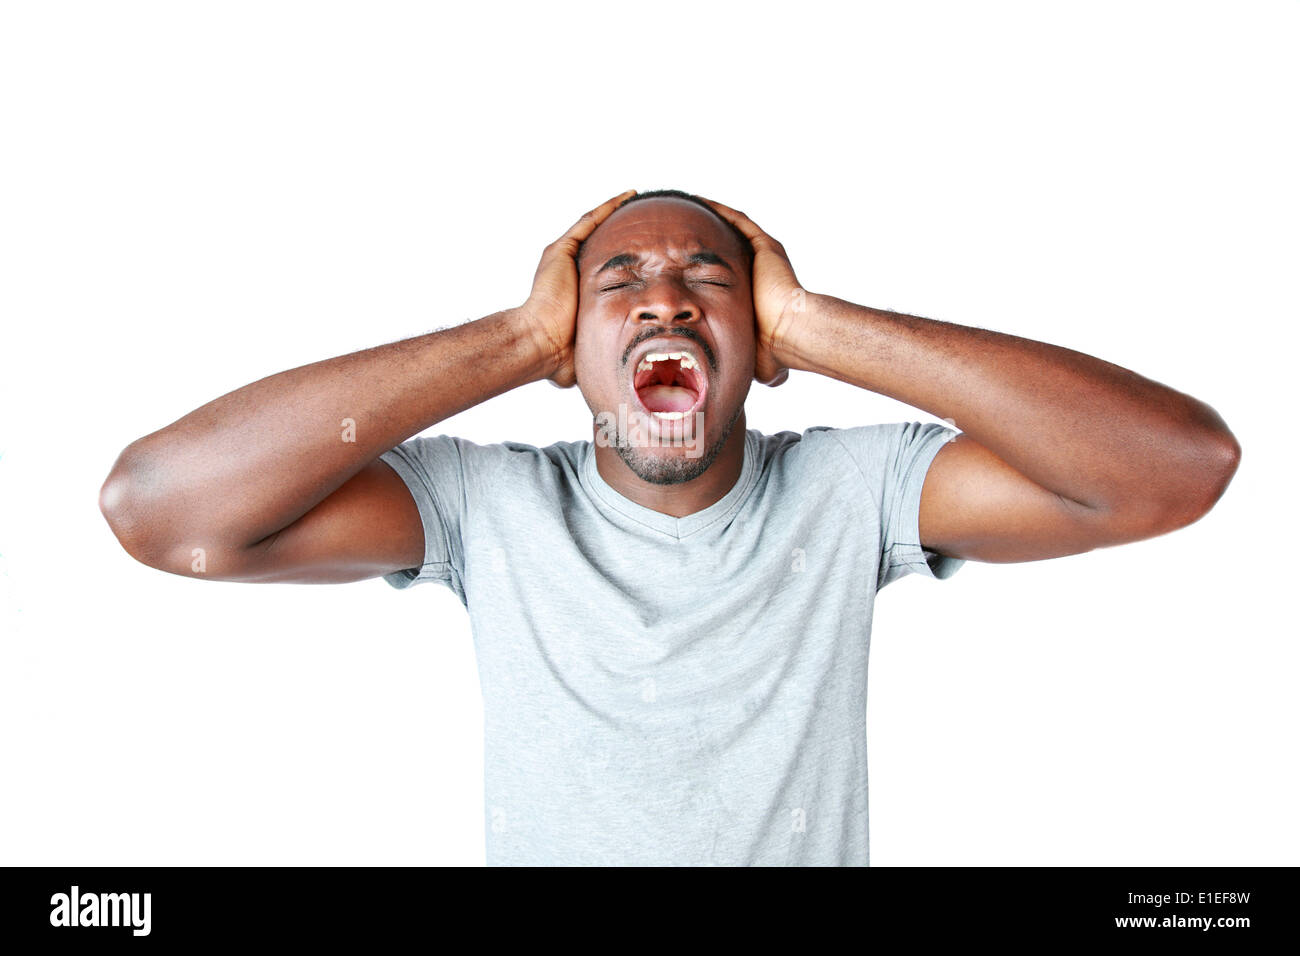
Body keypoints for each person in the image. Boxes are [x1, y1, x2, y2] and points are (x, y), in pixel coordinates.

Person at [99, 188, 1241, 866]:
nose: (666, 295)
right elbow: (161, 509)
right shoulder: (482, 505)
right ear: (569, 352)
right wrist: (510, 337)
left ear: (763, 348)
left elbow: (1173, 471)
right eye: (618, 281)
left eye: (709, 275)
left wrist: (817, 322)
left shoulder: (855, 491)